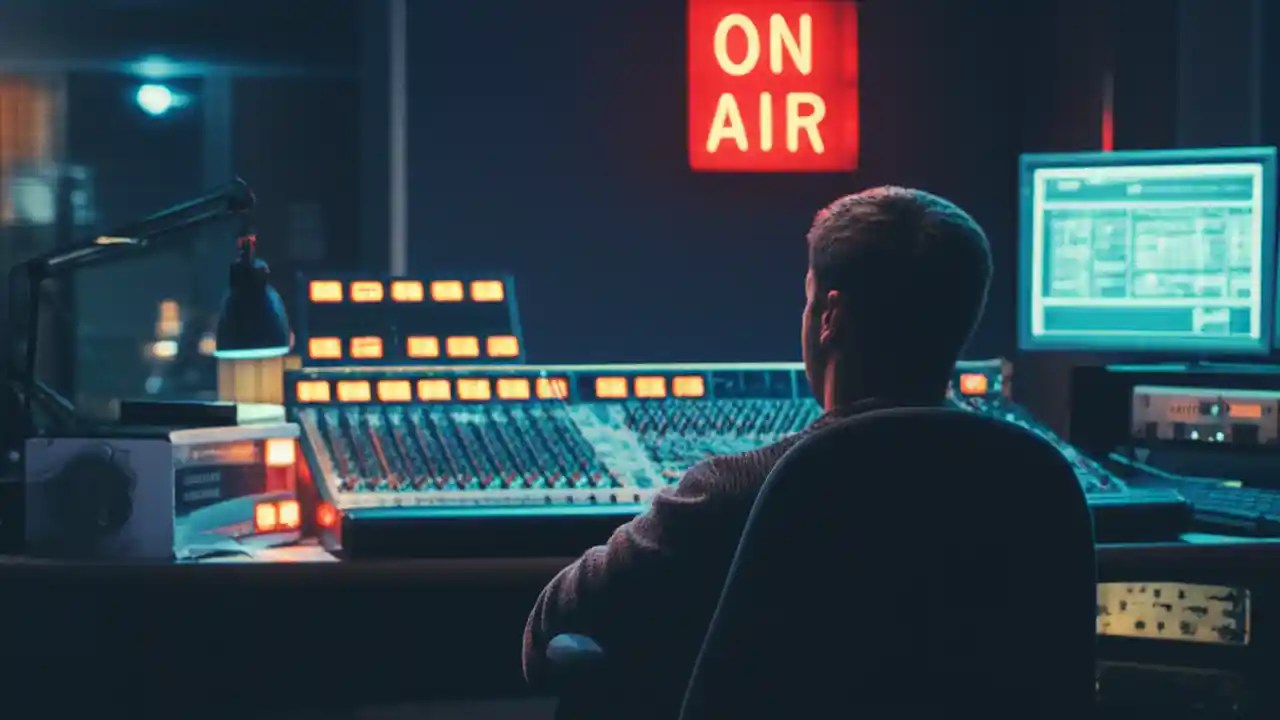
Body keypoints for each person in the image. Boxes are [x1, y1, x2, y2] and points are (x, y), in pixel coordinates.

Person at [522, 186, 994, 718]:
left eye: (808, 296)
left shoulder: (738, 492)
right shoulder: (1025, 487)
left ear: (828, 317)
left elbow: (552, 629)